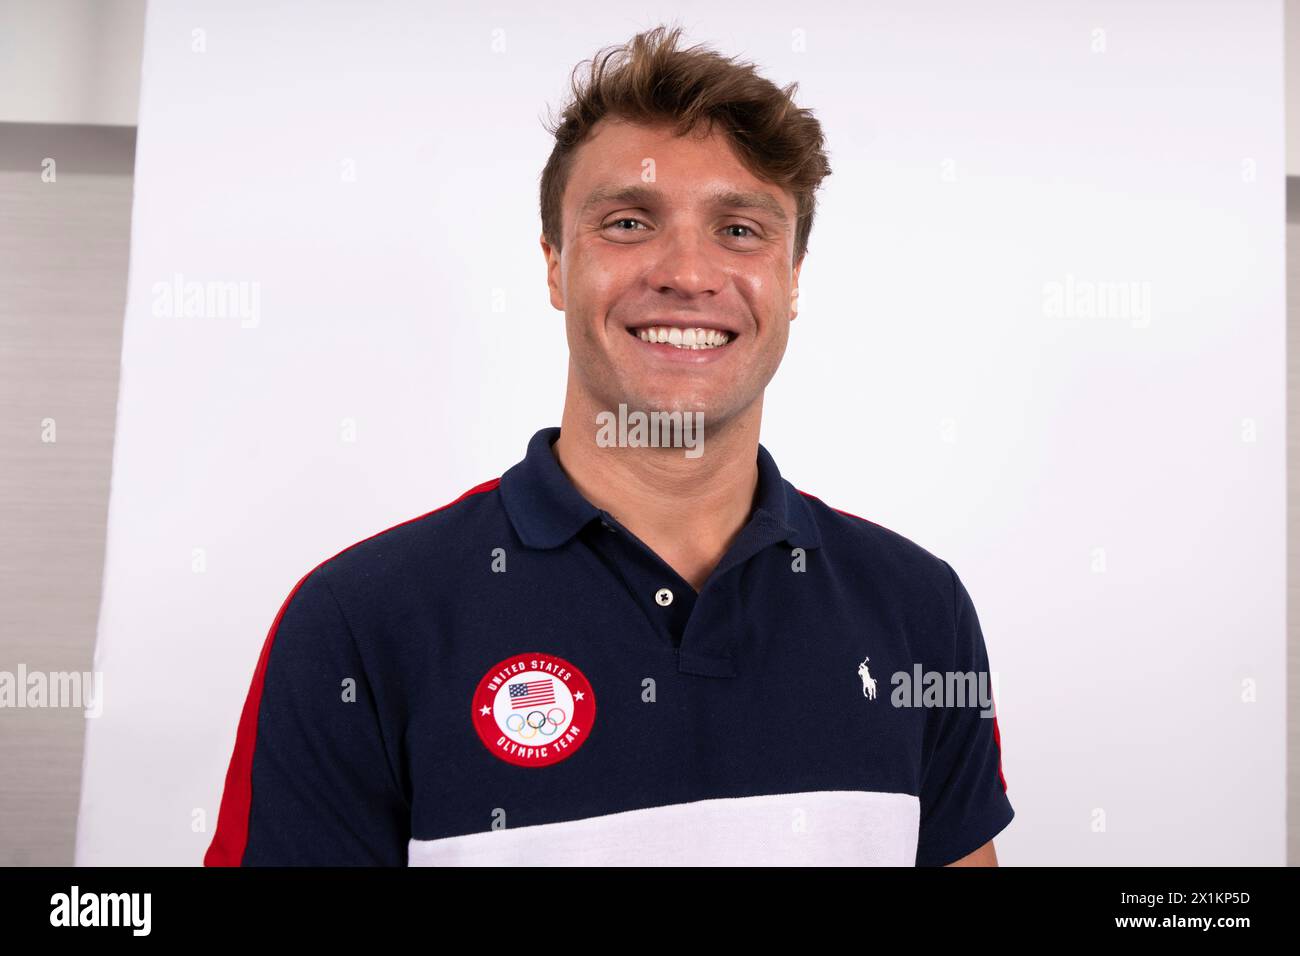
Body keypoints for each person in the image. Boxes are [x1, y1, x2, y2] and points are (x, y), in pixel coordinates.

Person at [205, 23, 1013, 867]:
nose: (688, 273)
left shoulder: (920, 609)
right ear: (554, 265)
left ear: (794, 279)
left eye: (741, 230)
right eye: (629, 222)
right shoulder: (358, 622)